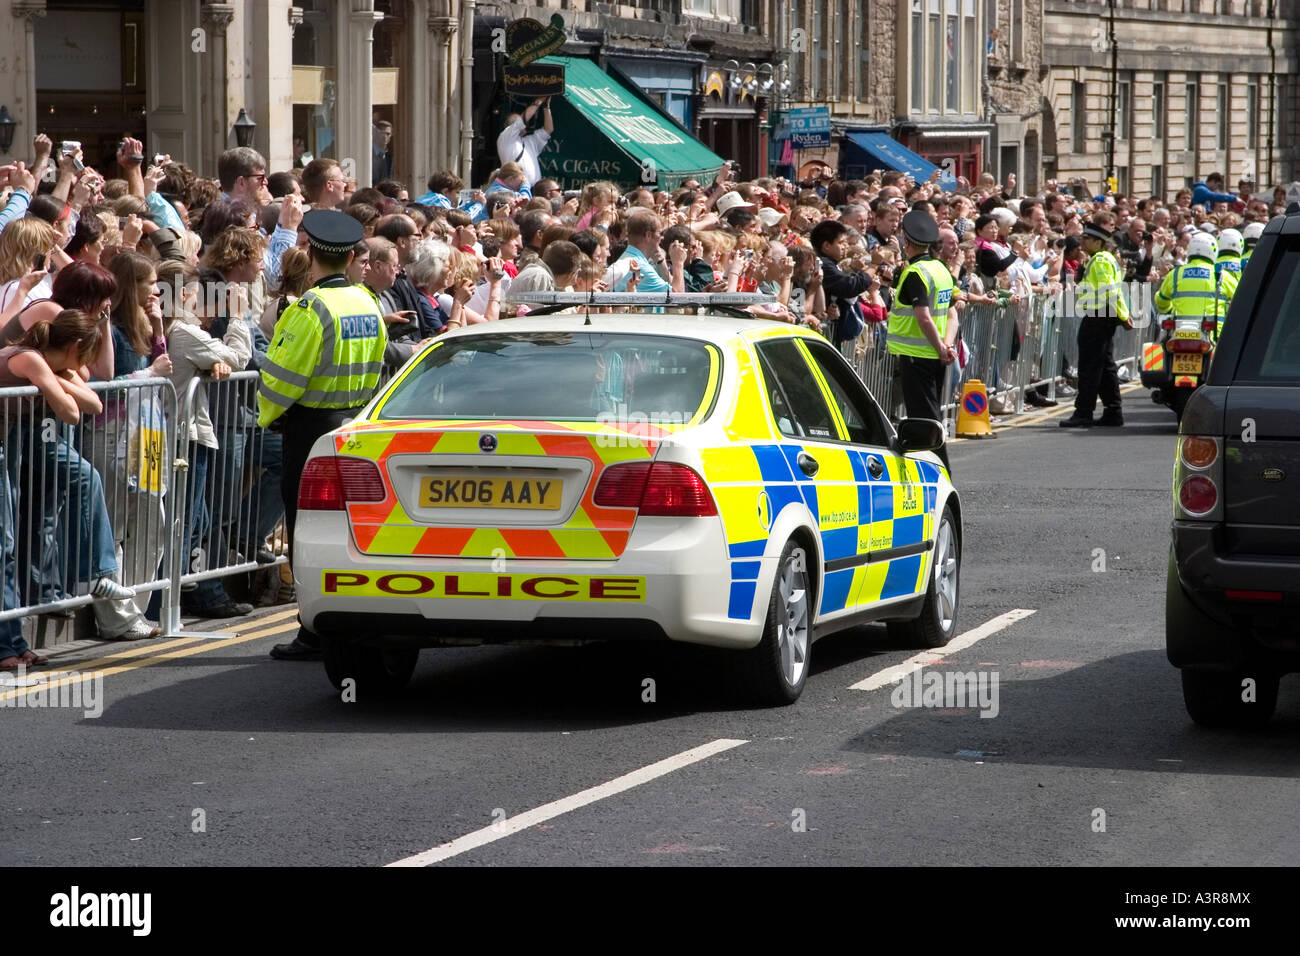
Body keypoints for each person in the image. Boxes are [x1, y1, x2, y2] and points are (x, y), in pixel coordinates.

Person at [259, 210, 387, 661]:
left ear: (310, 254)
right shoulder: (369, 302)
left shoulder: (309, 309)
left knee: (306, 529)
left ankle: (312, 629)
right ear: (352, 256)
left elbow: (280, 379)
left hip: (311, 428)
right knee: (352, 528)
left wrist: (270, 416)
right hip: (356, 425)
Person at [884, 210, 956, 471]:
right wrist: (946, 346)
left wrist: (940, 347)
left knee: (926, 420)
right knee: (931, 416)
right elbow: (953, 314)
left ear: (906, 240)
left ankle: (939, 472)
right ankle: (935, 469)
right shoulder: (941, 269)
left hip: (918, 357)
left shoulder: (916, 273)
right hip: (935, 356)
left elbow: (924, 317)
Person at [1059, 218, 1132, 428]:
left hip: (1098, 317)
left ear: (1098, 242)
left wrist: (1124, 315)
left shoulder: (1100, 260)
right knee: (1106, 366)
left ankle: (1084, 412)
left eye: (1087, 238)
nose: (1082, 241)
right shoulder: (1104, 258)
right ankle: (1113, 411)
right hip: (1104, 316)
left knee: (1089, 367)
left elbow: (1111, 290)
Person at [496, 98, 554, 187]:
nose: (522, 125)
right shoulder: (505, 137)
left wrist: (546, 107)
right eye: (516, 123)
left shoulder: (530, 141)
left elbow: (548, 130)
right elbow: (524, 119)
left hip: (533, 190)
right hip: (515, 189)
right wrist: (539, 100)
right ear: (509, 127)